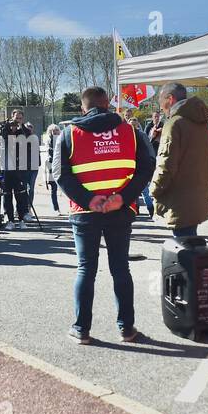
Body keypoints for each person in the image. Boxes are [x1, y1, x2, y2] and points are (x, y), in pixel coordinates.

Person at [55, 87, 155, 345]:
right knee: (120, 268)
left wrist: (88, 199)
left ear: (82, 108)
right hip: (120, 210)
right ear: (108, 105)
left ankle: (81, 329)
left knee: (86, 269)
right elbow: (147, 167)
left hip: (85, 212)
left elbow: (60, 175)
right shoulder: (131, 132)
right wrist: (124, 196)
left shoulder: (68, 134)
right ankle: (127, 329)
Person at [149, 83, 208, 238]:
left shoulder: (174, 124)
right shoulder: (203, 122)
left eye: (161, 102)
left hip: (179, 200)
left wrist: (154, 189)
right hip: (197, 196)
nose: (161, 108)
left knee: (183, 252)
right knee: (191, 244)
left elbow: (166, 164)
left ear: (170, 99)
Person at [0, 110, 33, 229]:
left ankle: (22, 219)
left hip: (19, 169)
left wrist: (20, 126)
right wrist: (7, 126)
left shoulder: (22, 131)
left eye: (19, 119)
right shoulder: (5, 130)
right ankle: (10, 220)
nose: (16, 122)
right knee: (7, 196)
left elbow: (28, 135)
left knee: (21, 195)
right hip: (6, 169)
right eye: (15, 119)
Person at [43, 124, 63, 214]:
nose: (55, 132)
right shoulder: (48, 141)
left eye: (56, 130)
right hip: (51, 165)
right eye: (53, 130)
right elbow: (50, 153)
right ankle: (56, 208)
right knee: (53, 188)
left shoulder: (62, 140)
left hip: (62, 165)